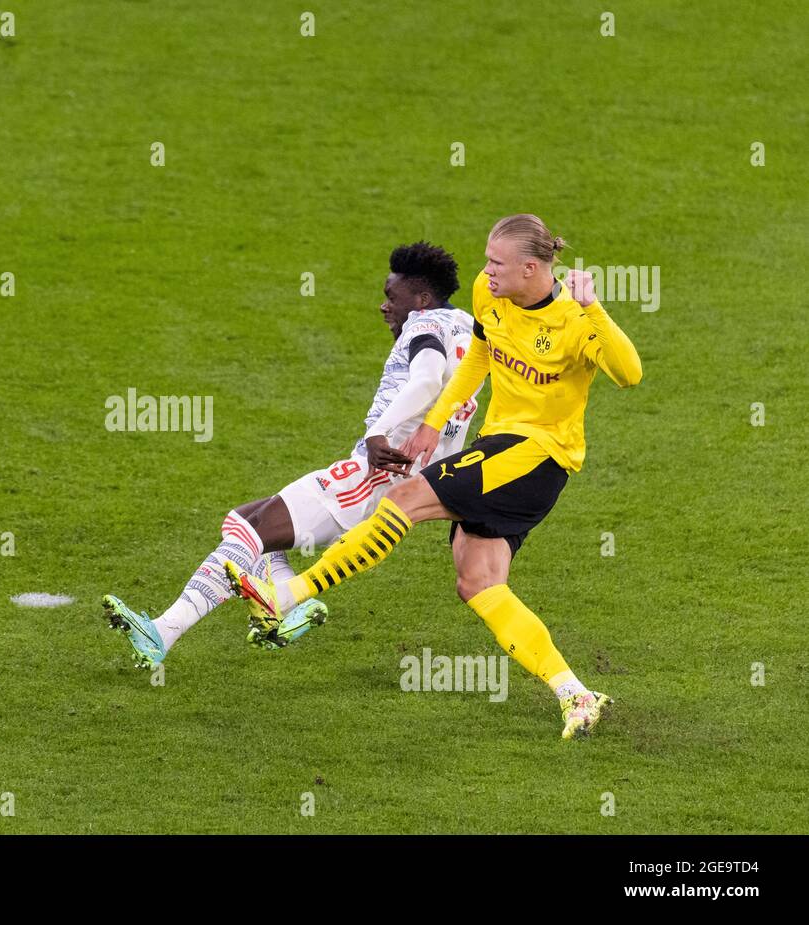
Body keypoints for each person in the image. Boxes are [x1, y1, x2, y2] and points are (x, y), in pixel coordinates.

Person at [228, 214, 642, 739]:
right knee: (478, 582)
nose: (485, 271)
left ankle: (292, 594)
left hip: (536, 455)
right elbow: (481, 359)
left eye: (497, 263)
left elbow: (630, 374)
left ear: (531, 269)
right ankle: (576, 695)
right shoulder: (490, 296)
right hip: (501, 448)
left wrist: (593, 306)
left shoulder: (574, 321)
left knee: (404, 498)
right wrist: (431, 424)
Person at [103, 242, 480, 668]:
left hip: (379, 472)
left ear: (422, 299)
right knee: (245, 520)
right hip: (418, 476)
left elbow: (427, 379)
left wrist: (377, 432)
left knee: (256, 529)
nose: (383, 306)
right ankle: (283, 607)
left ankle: (163, 632)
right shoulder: (468, 326)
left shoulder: (422, 326)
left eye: (392, 296)